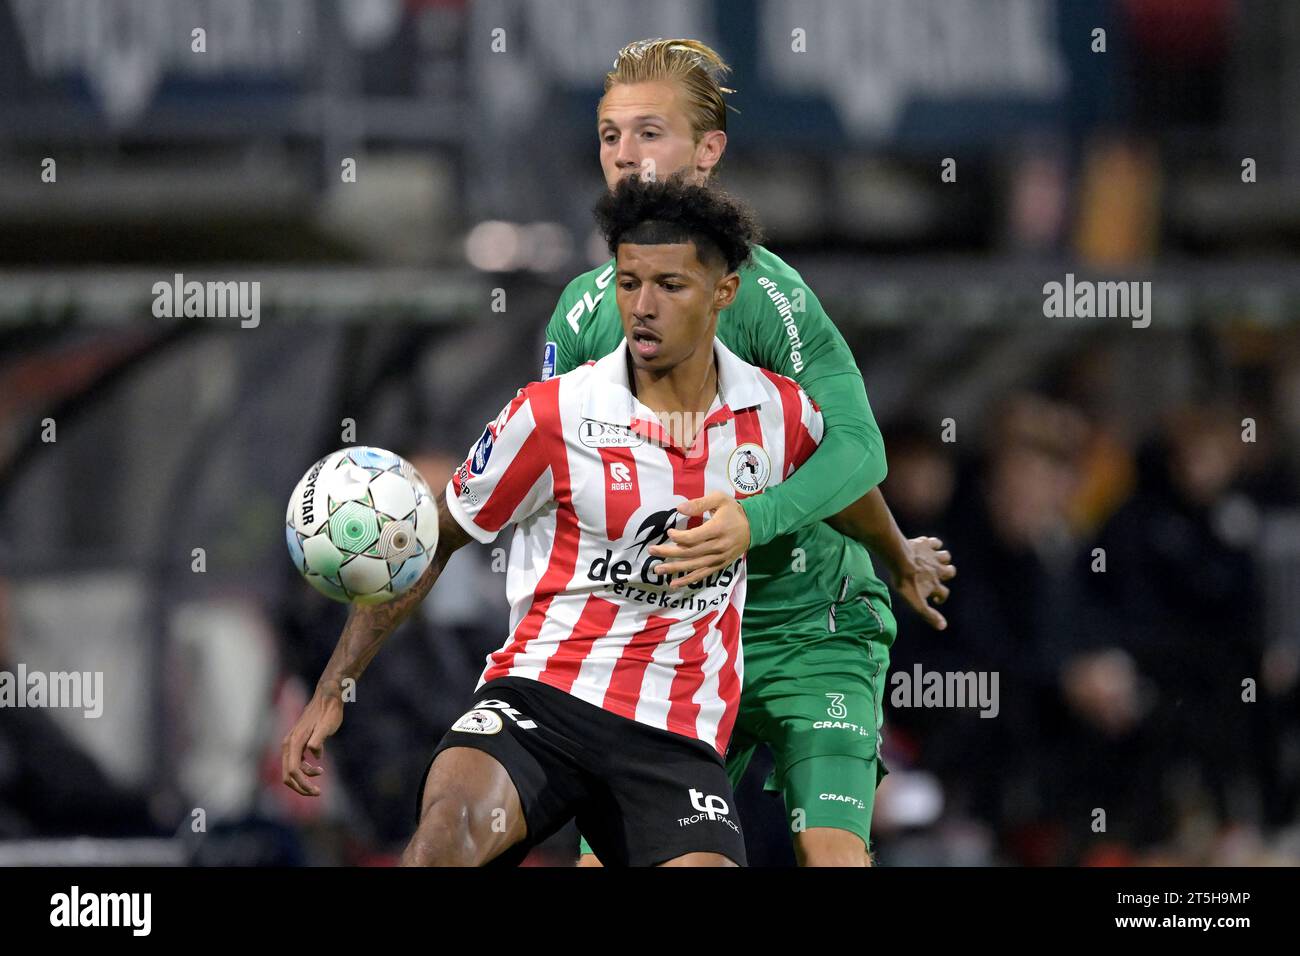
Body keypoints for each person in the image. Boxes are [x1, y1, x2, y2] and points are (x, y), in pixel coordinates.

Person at [282, 175, 827, 866]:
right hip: (540, 701)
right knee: (440, 844)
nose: (644, 308)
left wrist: (897, 554)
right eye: (629, 284)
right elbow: (428, 543)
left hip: (672, 734)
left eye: (670, 285)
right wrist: (333, 690)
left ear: (724, 292)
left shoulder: (778, 415)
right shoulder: (551, 414)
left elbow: (852, 471)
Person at [546, 38, 954, 866]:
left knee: (831, 852)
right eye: (609, 134)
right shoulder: (582, 315)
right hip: (675, 635)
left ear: (707, 152)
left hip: (811, 625)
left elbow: (853, 449)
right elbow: (562, 475)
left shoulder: (767, 299)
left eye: (650, 132)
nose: (625, 155)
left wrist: (759, 522)